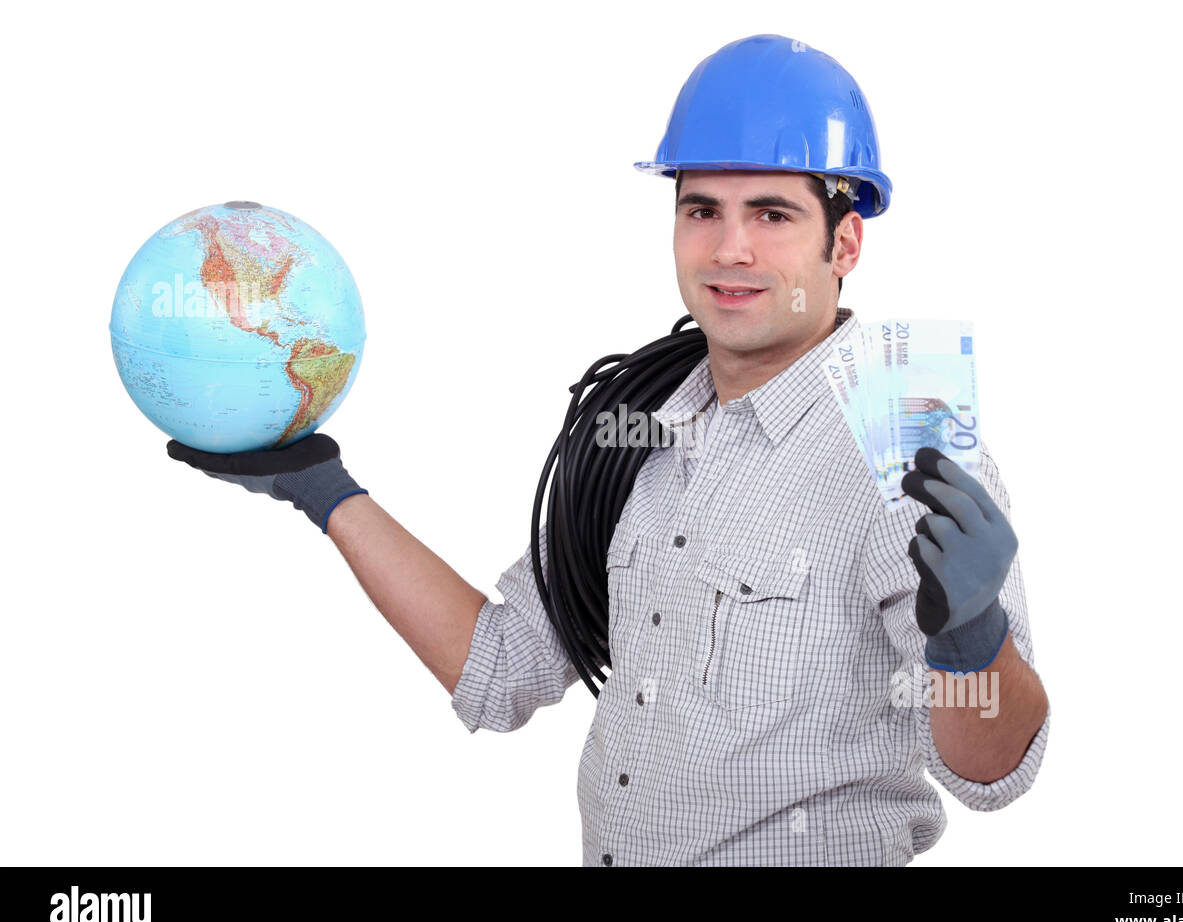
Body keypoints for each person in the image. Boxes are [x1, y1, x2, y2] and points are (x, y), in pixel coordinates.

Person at [168, 34, 1049, 866]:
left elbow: (993, 776)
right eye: (702, 208)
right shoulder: (642, 428)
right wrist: (327, 493)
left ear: (845, 241)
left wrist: (973, 644)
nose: (730, 247)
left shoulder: (915, 434)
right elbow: (500, 668)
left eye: (772, 213)